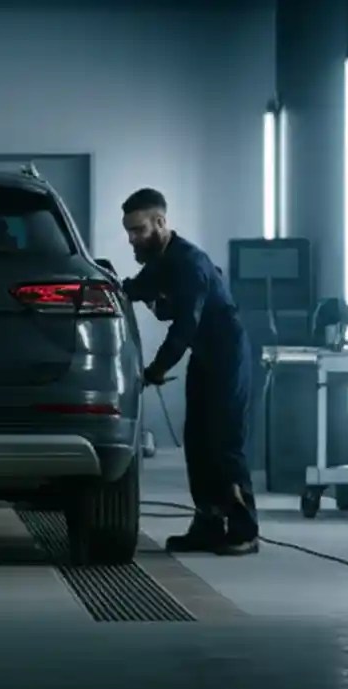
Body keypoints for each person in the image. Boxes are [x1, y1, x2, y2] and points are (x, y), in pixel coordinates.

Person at [119, 188, 259, 555]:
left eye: (138, 229)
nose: (132, 238)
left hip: (227, 355)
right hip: (205, 355)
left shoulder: (190, 263)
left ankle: (245, 530)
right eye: (128, 231)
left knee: (224, 441)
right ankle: (208, 525)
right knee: (197, 441)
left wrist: (155, 370)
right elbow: (131, 290)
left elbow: (184, 328)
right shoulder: (159, 263)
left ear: (161, 222)